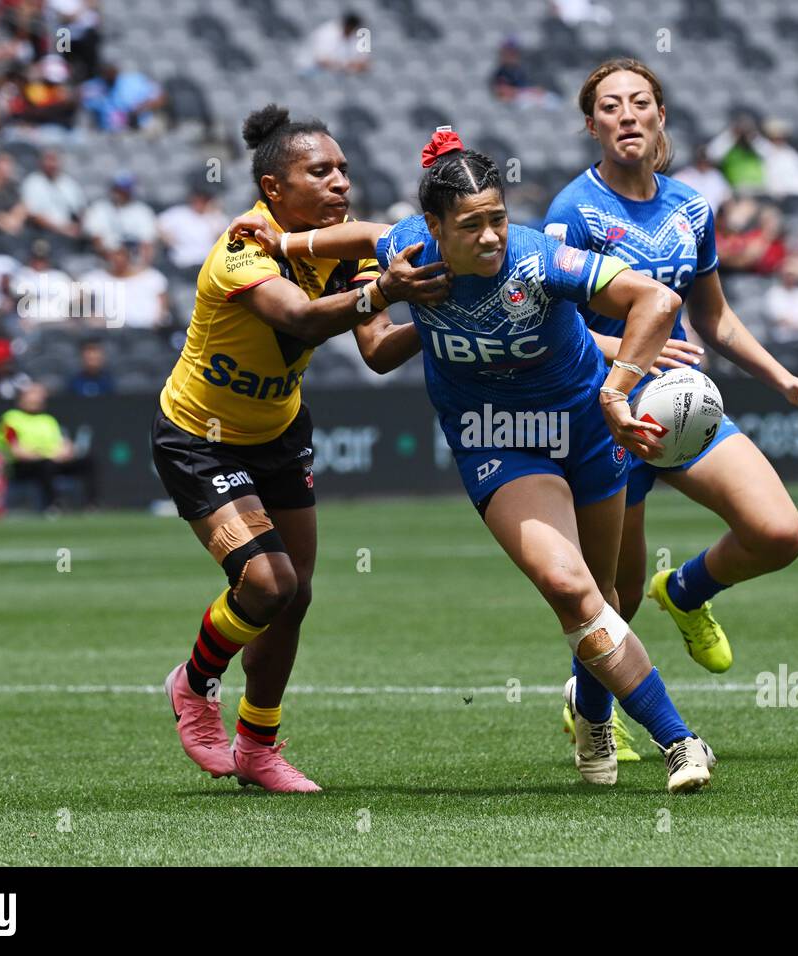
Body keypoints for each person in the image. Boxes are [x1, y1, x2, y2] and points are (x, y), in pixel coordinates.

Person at [232, 127, 719, 794]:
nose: (490, 237)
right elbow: (359, 238)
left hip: (583, 427)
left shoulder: (539, 259)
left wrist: (617, 387)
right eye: (471, 226)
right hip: (496, 440)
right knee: (568, 587)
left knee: (608, 597)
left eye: (497, 219)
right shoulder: (407, 250)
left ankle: (592, 715)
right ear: (432, 226)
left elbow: (657, 300)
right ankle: (682, 743)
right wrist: (283, 243)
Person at [152, 105, 450, 793]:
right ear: (273, 188)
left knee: (295, 596)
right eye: (320, 171)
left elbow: (376, 351)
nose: (340, 181)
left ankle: (258, 746)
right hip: (202, 438)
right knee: (265, 583)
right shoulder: (241, 248)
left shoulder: (335, 248)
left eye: (343, 169)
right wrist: (386, 287)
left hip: (279, 434)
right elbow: (303, 318)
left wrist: (436, 313)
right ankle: (193, 682)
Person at [543, 59, 798, 761]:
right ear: (592, 125)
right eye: (611, 107)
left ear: (661, 114)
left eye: (640, 102)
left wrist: (783, 379)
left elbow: (717, 319)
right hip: (609, 415)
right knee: (616, 593)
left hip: (685, 407)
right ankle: (592, 712)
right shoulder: (571, 212)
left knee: (778, 532)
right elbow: (548, 323)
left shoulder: (692, 207)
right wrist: (627, 350)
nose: (627, 115)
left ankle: (691, 589)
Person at [0, 382, 96, 510]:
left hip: (51, 462)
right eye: (32, 394)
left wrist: (64, 453)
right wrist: (47, 456)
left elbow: (65, 445)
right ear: (22, 398)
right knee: (46, 465)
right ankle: (52, 506)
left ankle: (92, 505)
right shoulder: (10, 419)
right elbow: (16, 450)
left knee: (88, 461)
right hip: (22, 466)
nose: (36, 398)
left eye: (38, 395)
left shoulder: (48, 420)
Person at [79, 242, 168, 329]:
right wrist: (90, 318)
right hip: (107, 332)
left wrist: (157, 324)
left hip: (146, 332)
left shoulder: (152, 277)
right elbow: (79, 307)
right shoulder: (92, 278)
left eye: (121, 254)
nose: (117, 259)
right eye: (112, 255)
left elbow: (163, 308)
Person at [82, 173, 158, 261]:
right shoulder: (99, 208)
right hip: (104, 259)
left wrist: (139, 267)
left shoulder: (143, 211)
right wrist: (115, 260)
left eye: (123, 190)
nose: (119, 193)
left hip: (134, 260)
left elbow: (147, 244)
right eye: (117, 189)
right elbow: (96, 240)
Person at [157, 185, 228, 271]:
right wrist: (168, 239)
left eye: (204, 200)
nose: (199, 203)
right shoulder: (179, 213)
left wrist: (214, 214)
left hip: (206, 264)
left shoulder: (216, 217)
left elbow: (223, 240)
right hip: (182, 262)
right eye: (197, 199)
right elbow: (157, 224)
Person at [21, 149, 86, 239]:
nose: (51, 164)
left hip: (69, 233)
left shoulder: (69, 183)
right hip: (42, 233)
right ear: (41, 162)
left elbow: (80, 210)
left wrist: (77, 228)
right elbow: (33, 215)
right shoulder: (33, 182)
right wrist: (61, 229)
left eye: (54, 160)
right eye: (48, 160)